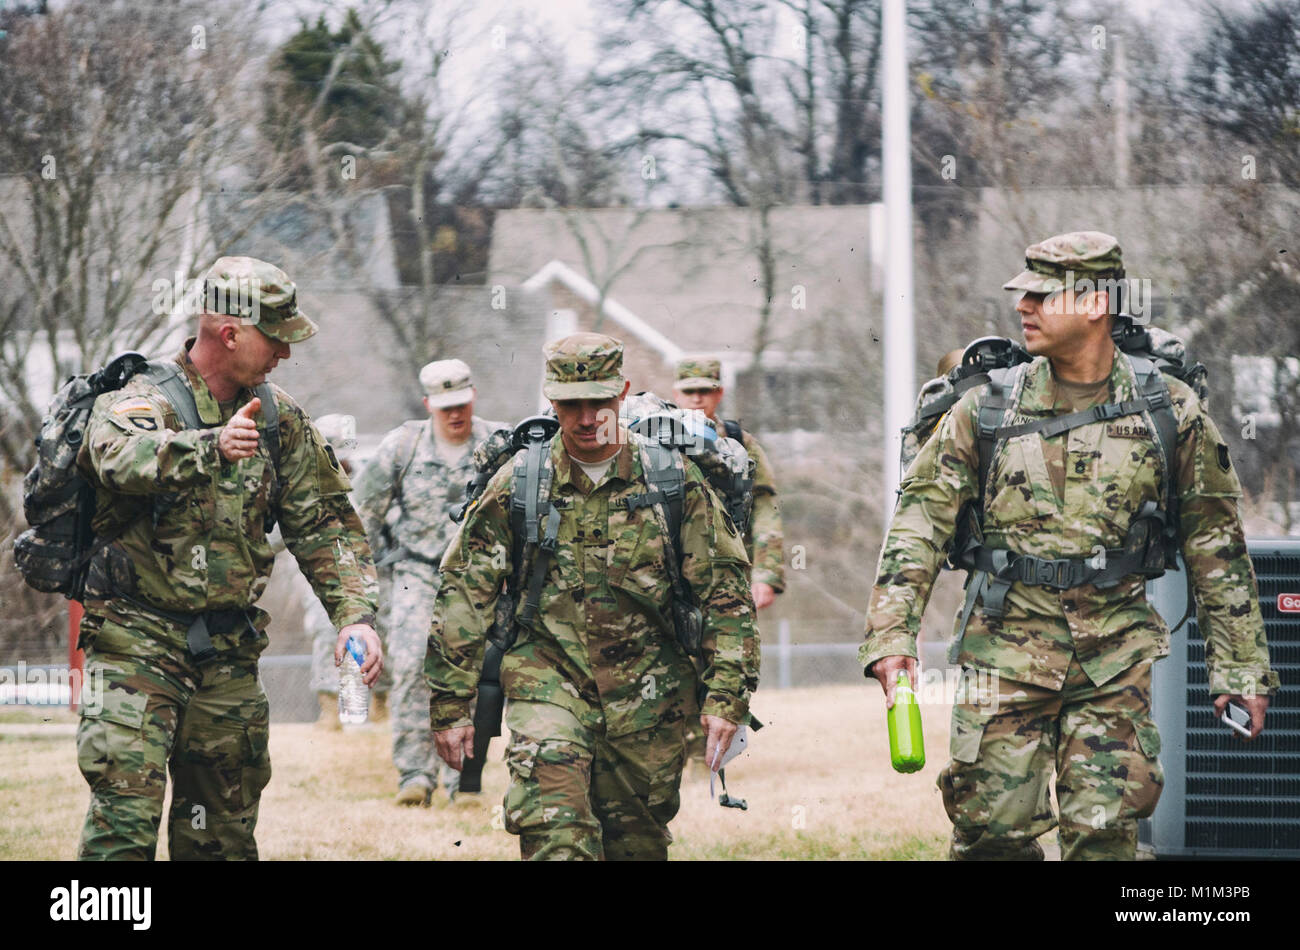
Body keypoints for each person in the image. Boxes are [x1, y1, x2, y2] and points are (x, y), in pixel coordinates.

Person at [861, 231, 1278, 861]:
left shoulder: (1171, 411)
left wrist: (1240, 667)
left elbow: (1215, 545)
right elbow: (918, 524)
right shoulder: (987, 409)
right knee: (991, 838)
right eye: (1021, 294)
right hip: (1004, 654)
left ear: (1093, 304)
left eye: (1040, 294)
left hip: (1114, 660)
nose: (1023, 307)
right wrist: (892, 636)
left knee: (1104, 836)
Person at [74, 256, 382, 861]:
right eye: (277, 338)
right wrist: (208, 448)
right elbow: (112, 455)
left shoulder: (279, 418)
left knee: (222, 838)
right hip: (136, 644)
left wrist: (355, 615)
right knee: (123, 826)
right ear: (231, 333)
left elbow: (323, 523)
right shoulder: (145, 399)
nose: (286, 355)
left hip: (227, 654)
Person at [426, 332, 759, 860]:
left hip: (650, 700)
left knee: (636, 847)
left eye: (598, 403)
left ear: (622, 392)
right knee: (556, 834)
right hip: (548, 685)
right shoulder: (522, 482)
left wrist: (727, 699)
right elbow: (465, 592)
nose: (585, 419)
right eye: (570, 404)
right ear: (551, 401)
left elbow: (725, 593)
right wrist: (450, 704)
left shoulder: (672, 480)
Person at [353, 359, 505, 805]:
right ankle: (415, 777)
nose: (455, 414)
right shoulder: (404, 446)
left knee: (477, 676)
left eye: (461, 403)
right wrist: (363, 577)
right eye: (445, 407)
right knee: (412, 670)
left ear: (473, 396)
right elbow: (362, 512)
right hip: (418, 574)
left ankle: (465, 779)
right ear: (427, 405)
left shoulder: (497, 444)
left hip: (478, 578)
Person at [671, 357, 785, 609]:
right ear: (676, 394)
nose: (697, 398)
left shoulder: (740, 444)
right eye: (689, 391)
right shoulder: (656, 442)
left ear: (719, 393)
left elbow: (765, 507)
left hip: (728, 573)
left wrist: (766, 573)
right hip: (669, 575)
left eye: (705, 390)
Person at [304, 414, 391, 730]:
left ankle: (381, 706)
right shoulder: (308, 483)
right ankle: (329, 710)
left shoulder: (369, 479)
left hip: (372, 571)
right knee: (326, 636)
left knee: (382, 635)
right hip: (325, 571)